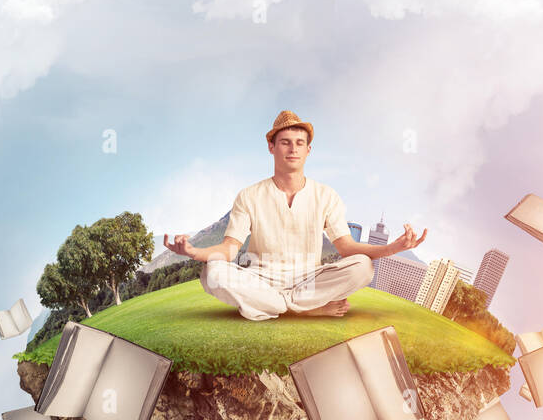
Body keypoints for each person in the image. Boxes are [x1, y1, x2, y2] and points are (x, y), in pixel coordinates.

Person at [163, 110, 428, 321]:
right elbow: (229, 250)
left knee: (363, 267)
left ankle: (279, 306)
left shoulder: (326, 195)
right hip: (261, 280)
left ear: (308, 150)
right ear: (271, 147)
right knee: (212, 272)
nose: (293, 149)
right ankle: (301, 309)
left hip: (309, 280)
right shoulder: (249, 195)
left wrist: (392, 248)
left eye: (300, 143)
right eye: (285, 143)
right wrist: (193, 251)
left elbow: (346, 248)